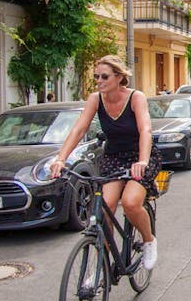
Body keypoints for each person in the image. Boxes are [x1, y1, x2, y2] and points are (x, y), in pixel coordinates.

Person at [51, 55, 160, 270]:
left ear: (119, 77)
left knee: (129, 203)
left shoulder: (135, 97)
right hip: (113, 157)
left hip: (141, 155)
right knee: (105, 208)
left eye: (104, 76)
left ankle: (149, 241)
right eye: (96, 77)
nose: (99, 81)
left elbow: (145, 130)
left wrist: (143, 160)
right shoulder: (95, 99)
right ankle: (104, 266)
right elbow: (78, 129)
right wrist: (60, 159)